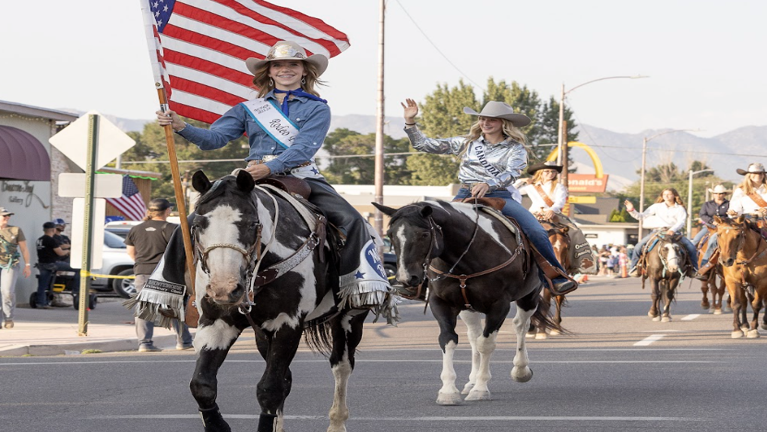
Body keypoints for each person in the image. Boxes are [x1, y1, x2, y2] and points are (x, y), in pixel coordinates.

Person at [146, 40, 393, 320]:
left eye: (293, 65)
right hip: (250, 177)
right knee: (193, 221)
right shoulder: (248, 109)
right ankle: (169, 290)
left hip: (300, 174)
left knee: (352, 221)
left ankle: (359, 288)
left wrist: (272, 167)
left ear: (304, 72)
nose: (285, 69)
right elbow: (214, 139)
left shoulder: (318, 108)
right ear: (269, 72)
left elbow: (303, 148)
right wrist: (182, 127)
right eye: (278, 65)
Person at [400, 98, 577, 295]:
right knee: (431, 228)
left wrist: (489, 183)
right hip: (465, 192)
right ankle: (418, 282)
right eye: (483, 119)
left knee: (536, 231)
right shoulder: (467, 143)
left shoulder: (515, 148)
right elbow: (423, 145)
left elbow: (513, 172)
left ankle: (555, 277)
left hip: (501, 196)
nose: (485, 123)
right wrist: (410, 122)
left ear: (504, 123)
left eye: (491, 119)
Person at [126, 198, 193, 352]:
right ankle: (183, 341)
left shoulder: (136, 229)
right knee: (175, 306)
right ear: (167, 211)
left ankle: (145, 343)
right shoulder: (172, 228)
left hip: (142, 272)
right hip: (166, 273)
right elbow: (182, 252)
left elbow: (131, 252)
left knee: (145, 308)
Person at [518, 161, 595, 274]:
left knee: (575, 232)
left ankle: (581, 264)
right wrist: (521, 181)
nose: (550, 174)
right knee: (515, 230)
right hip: (534, 214)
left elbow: (560, 201)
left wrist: (552, 210)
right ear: (540, 173)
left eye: (553, 171)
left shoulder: (559, 187)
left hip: (553, 214)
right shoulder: (531, 187)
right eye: (547, 171)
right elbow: (512, 191)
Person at [623, 189, 697, 278]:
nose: (666, 196)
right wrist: (631, 210)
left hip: (674, 232)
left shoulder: (679, 208)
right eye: (664, 194)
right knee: (638, 246)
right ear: (662, 196)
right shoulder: (656, 206)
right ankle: (634, 267)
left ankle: (693, 269)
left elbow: (681, 222)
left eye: (669, 194)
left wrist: (672, 230)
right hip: (658, 232)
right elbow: (641, 216)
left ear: (674, 195)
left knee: (691, 247)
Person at [33, 220, 79, 310]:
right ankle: (76, 289)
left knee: (42, 285)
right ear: (53, 230)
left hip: (42, 264)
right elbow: (60, 253)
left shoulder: (40, 239)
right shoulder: (51, 240)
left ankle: (41, 303)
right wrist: (68, 251)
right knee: (79, 268)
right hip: (52, 264)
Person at [0, 207, 33, 328]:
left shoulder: (15, 230)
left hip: (10, 264)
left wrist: (27, 265)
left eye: (8, 215)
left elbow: (24, 249)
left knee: (7, 291)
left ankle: (8, 317)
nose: (7, 217)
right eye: (4, 215)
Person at [693, 183, 730, 275]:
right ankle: (692, 264)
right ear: (713, 194)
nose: (719, 195)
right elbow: (702, 215)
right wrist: (712, 221)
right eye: (716, 193)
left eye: (721, 193)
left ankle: (705, 265)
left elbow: (732, 216)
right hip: (710, 227)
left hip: (724, 228)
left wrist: (724, 221)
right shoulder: (707, 204)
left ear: (724, 194)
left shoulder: (729, 204)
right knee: (695, 240)